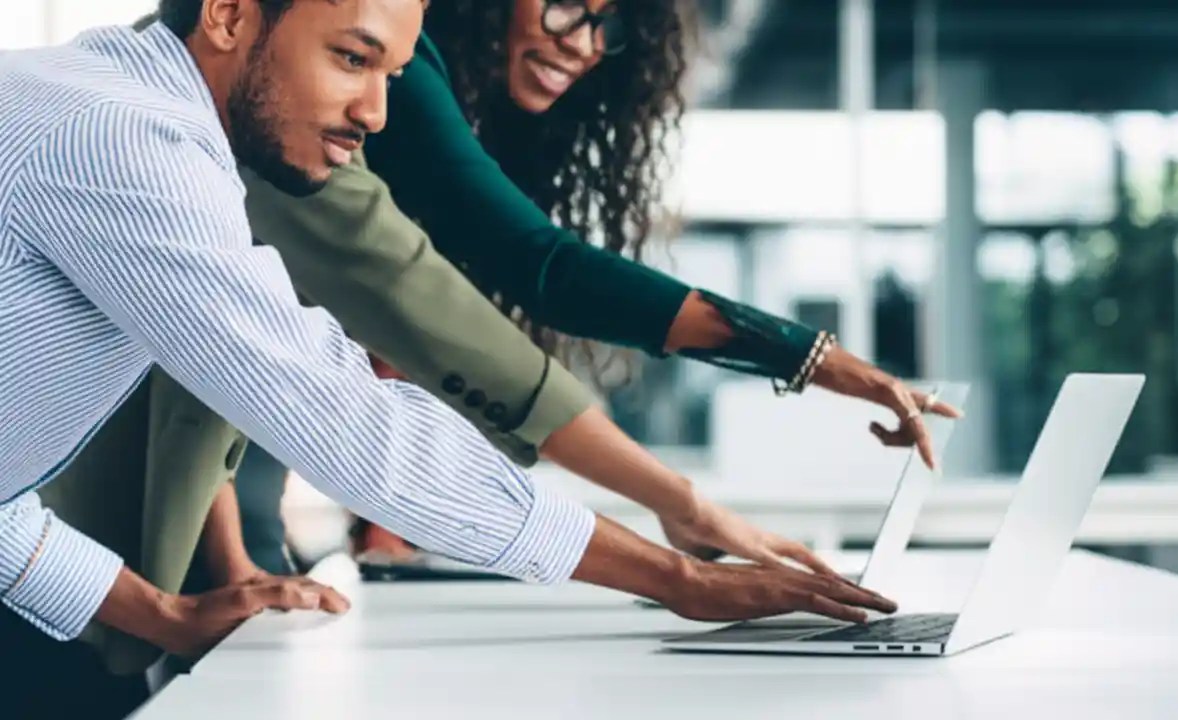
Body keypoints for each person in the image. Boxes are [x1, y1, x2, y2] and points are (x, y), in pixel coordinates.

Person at [0, 1, 894, 717]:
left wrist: (163, 616)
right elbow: (356, 429)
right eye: (351, 59)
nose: (376, 114)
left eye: (391, 74)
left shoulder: (113, 106)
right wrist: (678, 577)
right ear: (229, 14)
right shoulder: (123, 142)